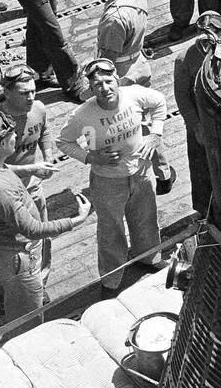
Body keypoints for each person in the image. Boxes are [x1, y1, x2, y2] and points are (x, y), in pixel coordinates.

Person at [0, 110, 91, 323]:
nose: (17, 138)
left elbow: (4, 168)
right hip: (20, 261)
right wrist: (76, 220)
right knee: (29, 323)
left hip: (2, 252)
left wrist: (32, 168)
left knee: (14, 301)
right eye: (12, 136)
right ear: (2, 144)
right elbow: (32, 229)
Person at [59, 60, 166, 293]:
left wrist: (155, 135)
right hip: (108, 181)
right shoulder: (83, 114)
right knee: (111, 231)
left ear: (117, 80)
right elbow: (64, 142)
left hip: (141, 173)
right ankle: (111, 280)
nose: (105, 89)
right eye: (97, 85)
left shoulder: (134, 95)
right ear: (91, 88)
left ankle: (148, 259)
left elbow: (159, 102)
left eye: (109, 82)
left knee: (146, 219)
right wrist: (90, 157)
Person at [84, 0, 174, 191]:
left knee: (128, 128)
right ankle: (163, 172)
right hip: (140, 63)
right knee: (144, 121)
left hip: (122, 74)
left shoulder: (114, 19)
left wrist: (92, 86)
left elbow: (107, 63)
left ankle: (139, 175)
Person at [0, 64, 59, 292]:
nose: (31, 97)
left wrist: (49, 157)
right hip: (7, 194)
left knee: (43, 235)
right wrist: (33, 168)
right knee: (10, 246)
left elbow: (44, 130)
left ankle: (40, 283)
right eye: (24, 93)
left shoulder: (39, 108)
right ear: (6, 93)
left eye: (33, 91)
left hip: (33, 188)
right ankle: (6, 291)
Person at [174, 10, 221, 215]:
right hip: (199, 122)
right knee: (201, 169)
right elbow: (182, 96)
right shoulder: (184, 58)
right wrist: (195, 127)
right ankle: (205, 210)